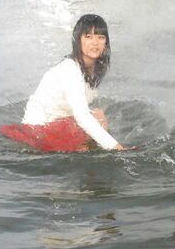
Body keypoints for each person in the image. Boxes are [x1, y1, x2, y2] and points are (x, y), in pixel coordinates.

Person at [17, 14, 124, 151]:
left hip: (58, 123)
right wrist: (117, 148)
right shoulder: (70, 70)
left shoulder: (92, 69)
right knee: (91, 130)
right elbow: (82, 116)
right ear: (78, 40)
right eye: (88, 37)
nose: (95, 42)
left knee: (99, 115)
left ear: (106, 43)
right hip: (38, 131)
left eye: (100, 37)